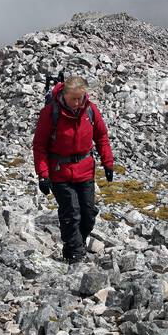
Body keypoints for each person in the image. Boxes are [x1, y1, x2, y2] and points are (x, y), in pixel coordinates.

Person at [32, 74, 115, 263]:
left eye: (81, 98)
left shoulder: (90, 110)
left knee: (88, 215)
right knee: (71, 213)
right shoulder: (50, 113)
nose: (78, 102)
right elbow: (39, 146)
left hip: (85, 170)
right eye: (74, 99)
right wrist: (43, 175)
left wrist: (108, 163)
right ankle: (76, 256)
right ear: (64, 95)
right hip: (60, 172)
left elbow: (101, 136)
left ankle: (72, 244)